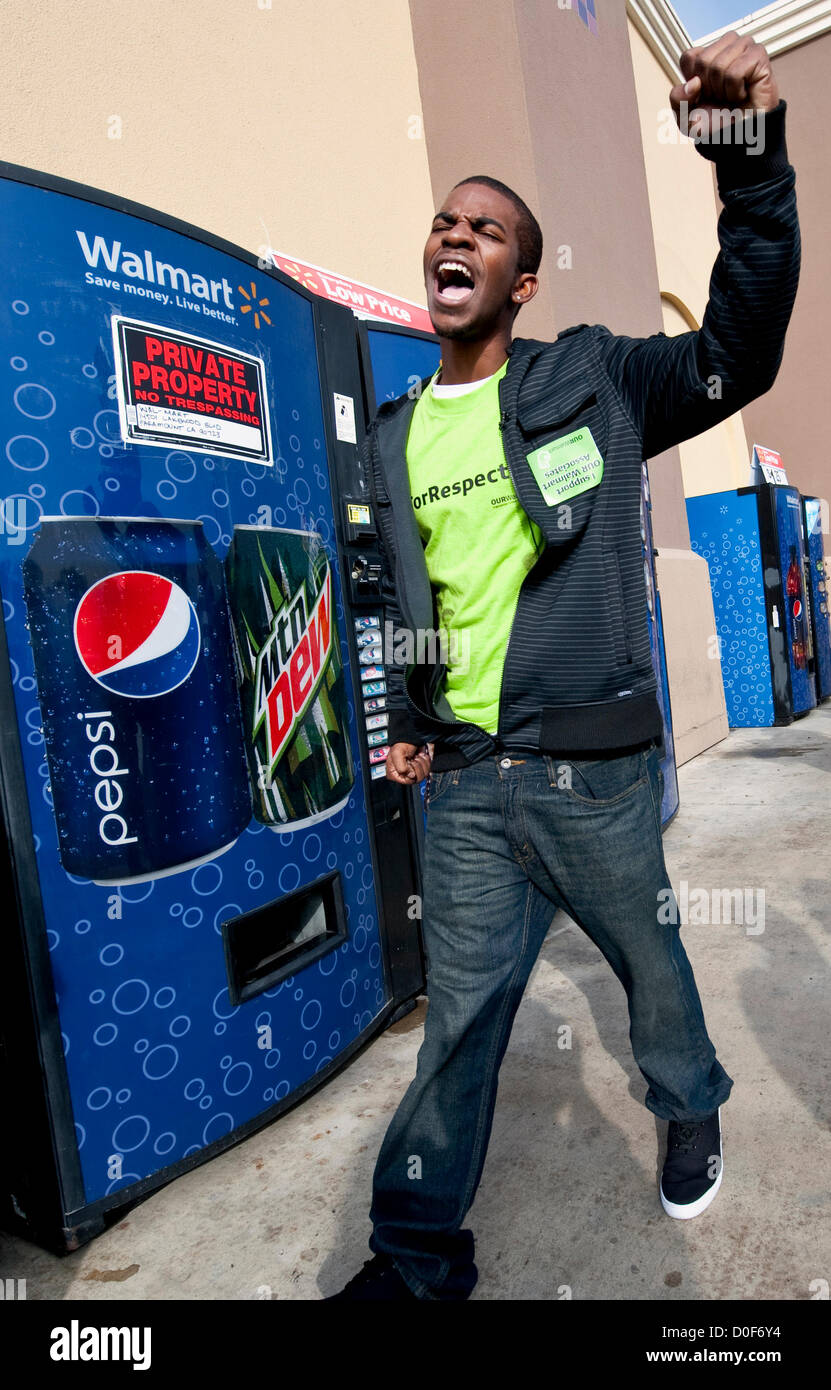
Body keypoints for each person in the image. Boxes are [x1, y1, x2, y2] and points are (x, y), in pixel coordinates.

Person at [327, 31, 799, 1301]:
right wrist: (421, 711)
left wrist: (748, 165)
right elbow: (422, 594)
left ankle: (689, 1096)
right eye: (443, 220)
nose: (455, 236)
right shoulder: (391, 435)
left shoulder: (593, 375)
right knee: (460, 1026)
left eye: (486, 229)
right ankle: (415, 1258)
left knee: (652, 965)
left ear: (524, 281)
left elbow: (737, 352)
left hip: (595, 774)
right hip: (471, 790)